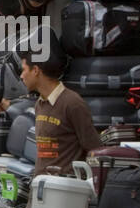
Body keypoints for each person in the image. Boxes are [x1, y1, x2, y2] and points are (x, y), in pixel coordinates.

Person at [21, 47, 101, 178]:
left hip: (65, 190)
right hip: (40, 186)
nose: (21, 76)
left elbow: (94, 148)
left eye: (23, 70)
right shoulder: (39, 104)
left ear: (35, 70)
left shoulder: (72, 103)